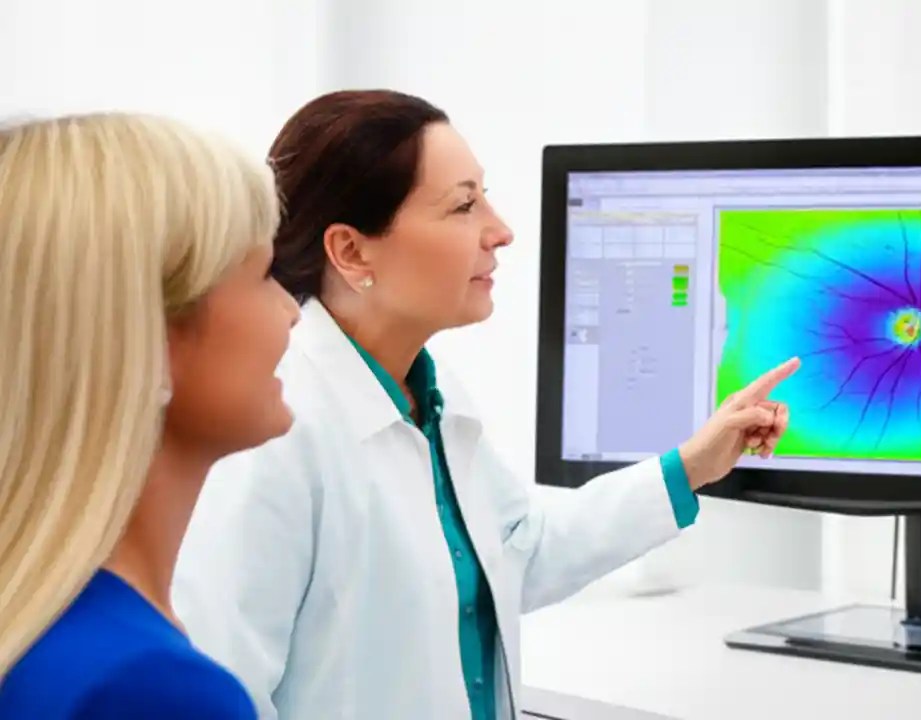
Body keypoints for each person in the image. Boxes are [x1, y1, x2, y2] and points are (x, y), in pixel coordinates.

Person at [172, 89, 798, 720]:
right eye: (464, 205)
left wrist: (692, 465)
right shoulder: (272, 427)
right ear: (352, 251)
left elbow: (517, 551)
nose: (500, 231)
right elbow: (220, 690)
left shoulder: (429, 398)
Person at [0, 113, 300, 717]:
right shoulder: (149, 688)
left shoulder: (42, 636)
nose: (292, 309)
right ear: (149, 339)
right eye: (265, 274)